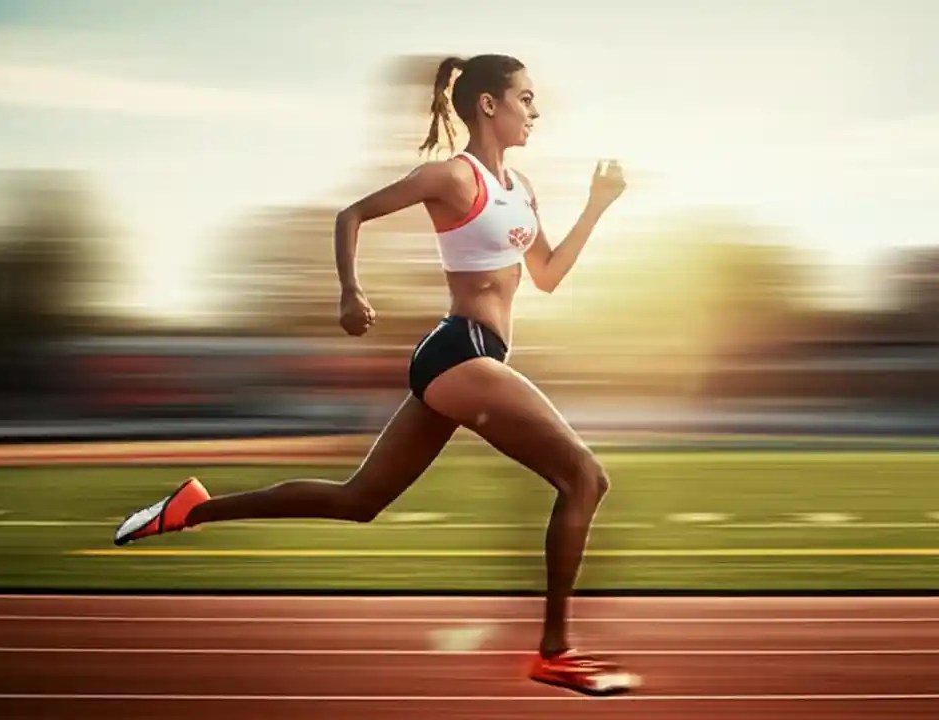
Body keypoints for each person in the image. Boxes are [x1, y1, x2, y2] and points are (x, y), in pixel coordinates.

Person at [112, 54, 640, 696]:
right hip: (460, 350)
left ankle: (193, 509)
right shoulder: (451, 176)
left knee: (358, 501)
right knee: (585, 475)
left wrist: (596, 207)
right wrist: (349, 292)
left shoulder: (520, 188)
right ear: (488, 106)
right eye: (526, 98)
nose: (536, 110)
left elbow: (549, 275)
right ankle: (554, 650)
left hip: (475, 358)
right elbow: (351, 216)